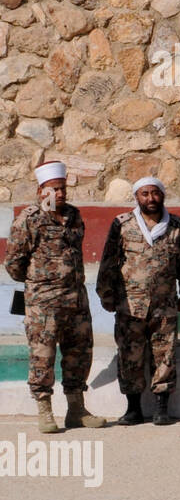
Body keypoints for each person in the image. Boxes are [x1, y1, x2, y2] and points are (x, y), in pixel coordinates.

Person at [5, 161, 104, 433]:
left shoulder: (74, 216)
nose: (59, 194)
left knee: (79, 354)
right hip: (43, 304)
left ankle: (76, 411)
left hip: (76, 300)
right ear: (41, 191)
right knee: (42, 357)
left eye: (62, 189)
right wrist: (42, 284)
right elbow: (14, 264)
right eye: (53, 189)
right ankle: (45, 411)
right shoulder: (29, 219)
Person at [96, 177, 180, 426]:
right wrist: (106, 295)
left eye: (155, 193)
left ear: (162, 196)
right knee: (129, 355)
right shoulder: (122, 224)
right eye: (145, 194)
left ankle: (161, 408)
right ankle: (133, 409)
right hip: (129, 306)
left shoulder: (176, 226)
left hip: (164, 306)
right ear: (137, 197)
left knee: (164, 356)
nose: (151, 198)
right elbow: (108, 261)